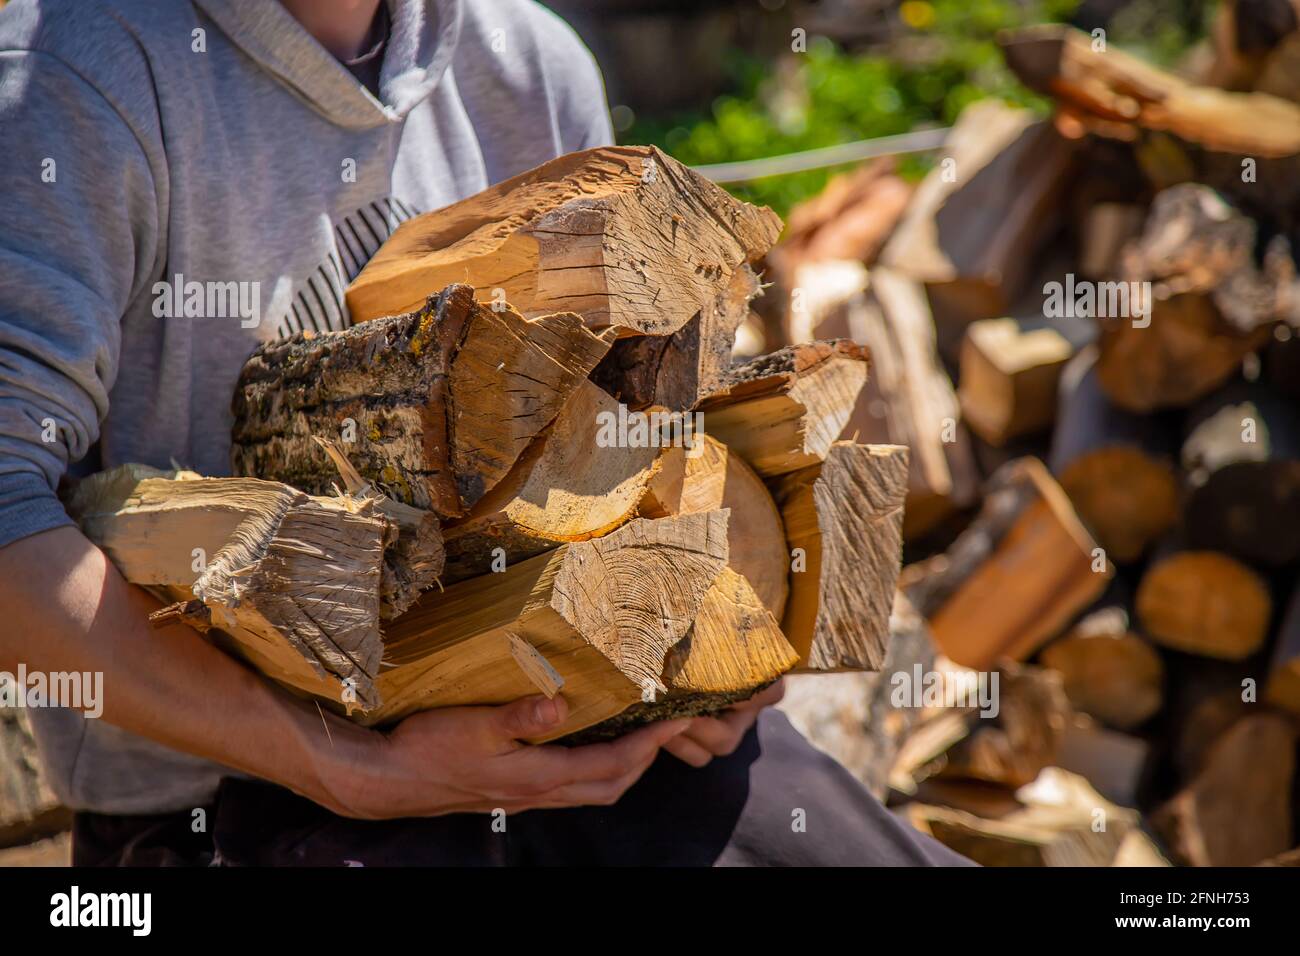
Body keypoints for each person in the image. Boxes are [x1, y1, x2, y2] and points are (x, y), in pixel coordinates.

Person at [0, 0, 970, 866]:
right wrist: (350, 765)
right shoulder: (74, 78)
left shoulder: (529, 62)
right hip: (245, 804)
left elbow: (644, 440)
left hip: (592, 742)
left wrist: (702, 666)